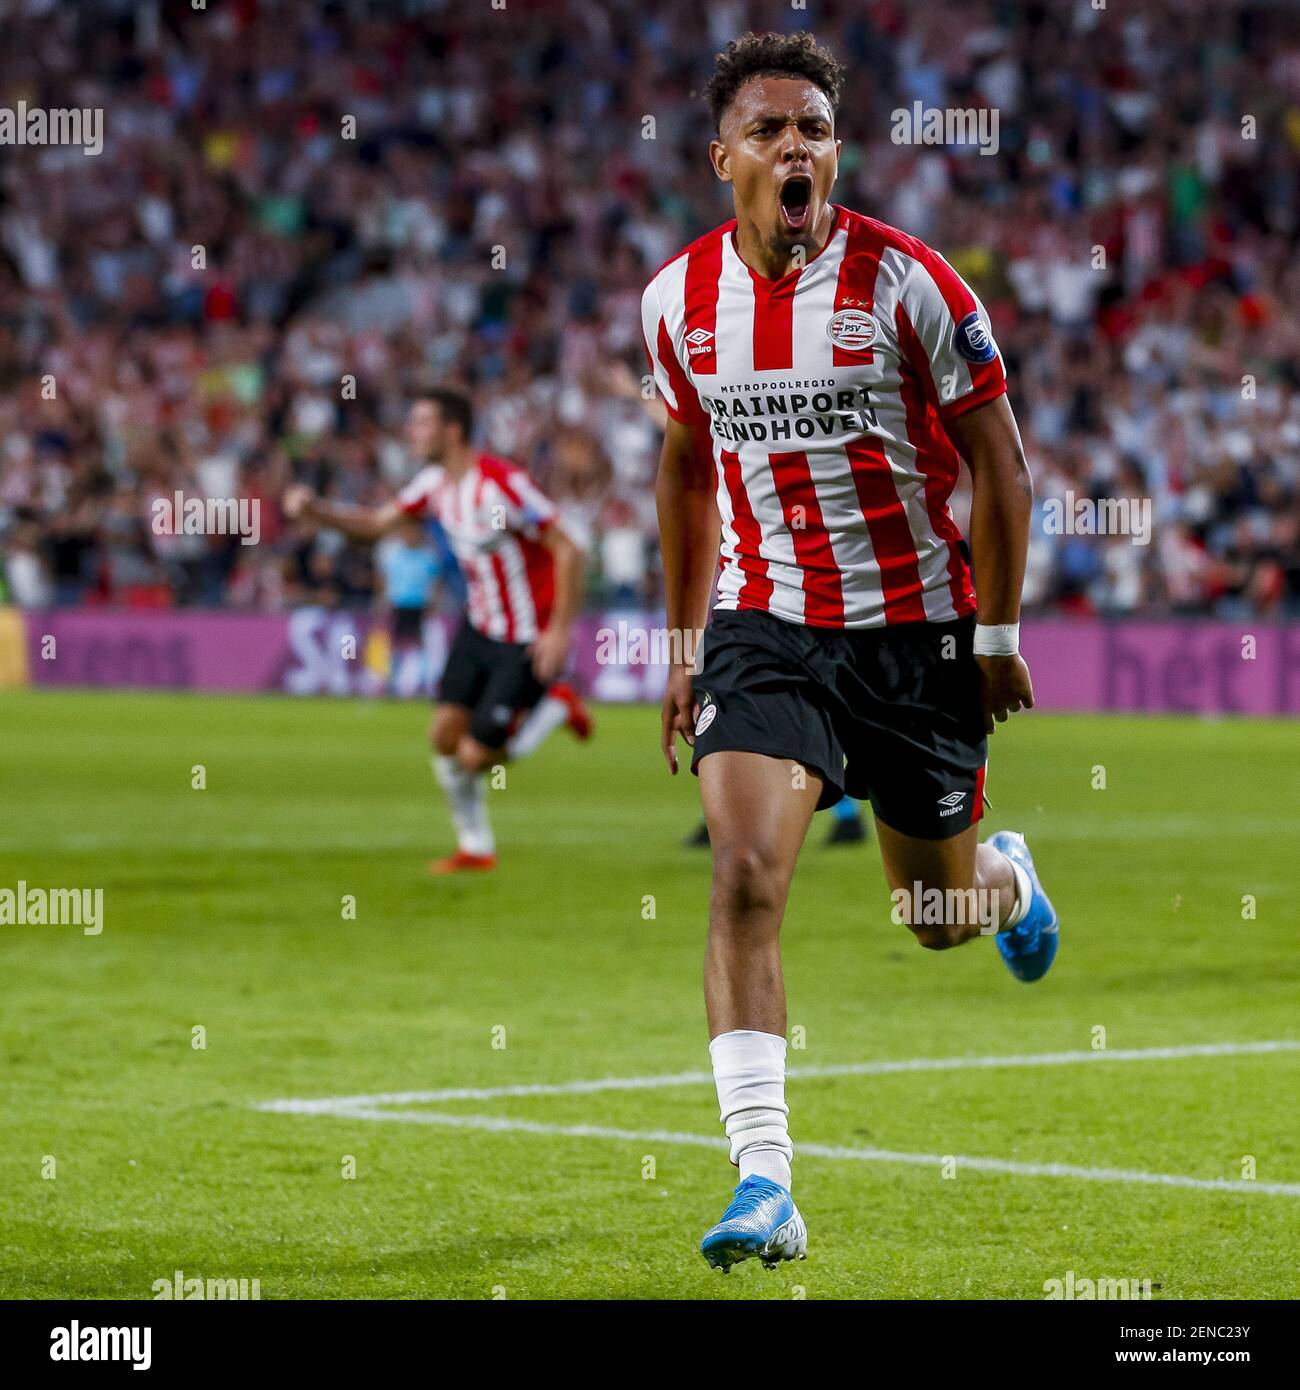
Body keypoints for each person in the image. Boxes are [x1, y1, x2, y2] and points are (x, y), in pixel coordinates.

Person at [644, 31, 1059, 1271]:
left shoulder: (912, 283)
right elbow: (682, 469)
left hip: (915, 636)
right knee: (745, 876)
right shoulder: (677, 300)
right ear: (724, 156)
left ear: (835, 153)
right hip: (763, 627)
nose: (793, 149)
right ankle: (764, 1178)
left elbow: (1001, 464)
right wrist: (681, 644)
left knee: (932, 914)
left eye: (813, 130)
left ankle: (1008, 879)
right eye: (768, 130)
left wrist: (993, 633)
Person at [285, 389, 591, 873]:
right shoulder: (432, 484)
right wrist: (317, 512)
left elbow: (568, 546)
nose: (411, 432)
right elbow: (374, 524)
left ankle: (556, 706)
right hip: (477, 627)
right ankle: (475, 848)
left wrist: (559, 631)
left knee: (473, 757)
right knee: (444, 738)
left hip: (525, 637)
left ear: (452, 431)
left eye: (421, 423)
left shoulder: (502, 483)